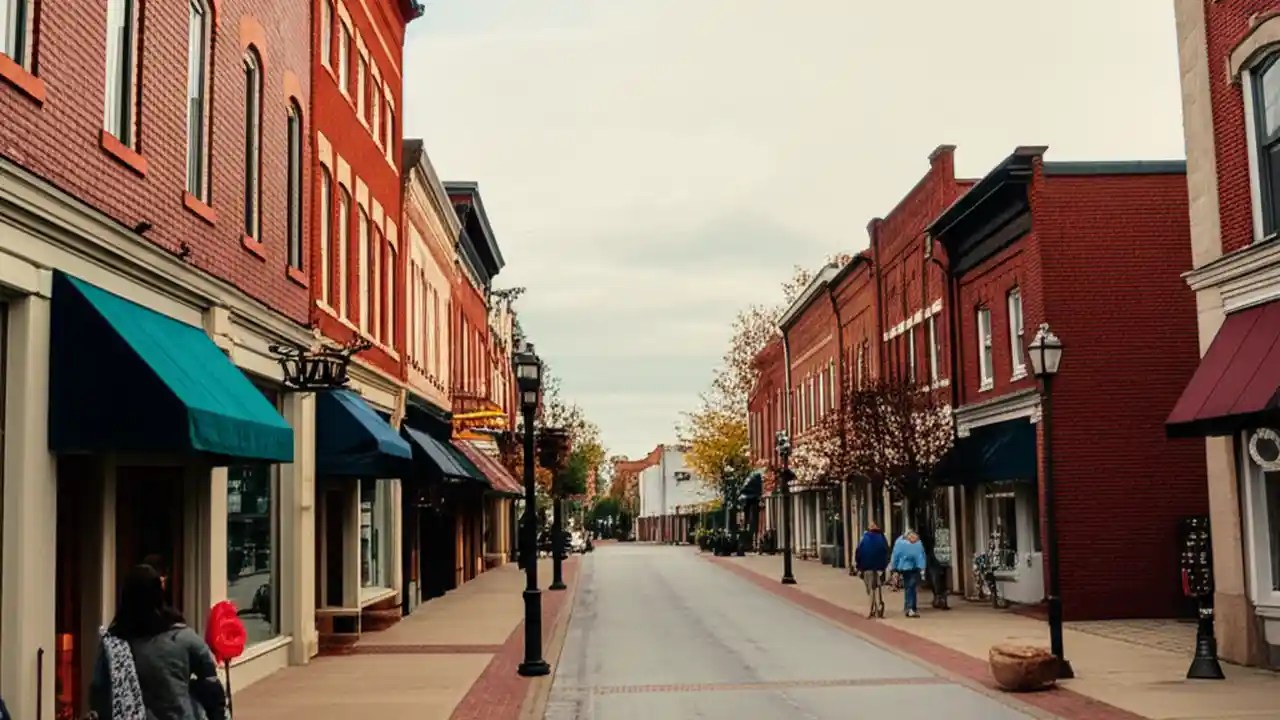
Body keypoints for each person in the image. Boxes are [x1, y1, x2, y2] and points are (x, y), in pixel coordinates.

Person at [90, 564, 227, 720]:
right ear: (159, 595)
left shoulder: (113, 645)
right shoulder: (183, 637)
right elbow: (211, 685)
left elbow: (98, 693)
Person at [853, 522, 890, 618]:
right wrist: (884, 566)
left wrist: (859, 567)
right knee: (877, 587)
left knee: (870, 589)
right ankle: (878, 608)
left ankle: (871, 609)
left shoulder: (864, 538)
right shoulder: (882, 538)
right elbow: (886, 552)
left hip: (867, 567)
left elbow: (858, 553)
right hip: (879, 568)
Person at [891, 530, 927, 618]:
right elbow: (921, 556)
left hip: (906, 568)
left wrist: (894, 567)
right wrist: (922, 568)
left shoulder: (900, 543)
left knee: (909, 587)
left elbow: (895, 555)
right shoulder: (918, 544)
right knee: (911, 587)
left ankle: (909, 607)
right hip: (913, 568)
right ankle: (911, 607)